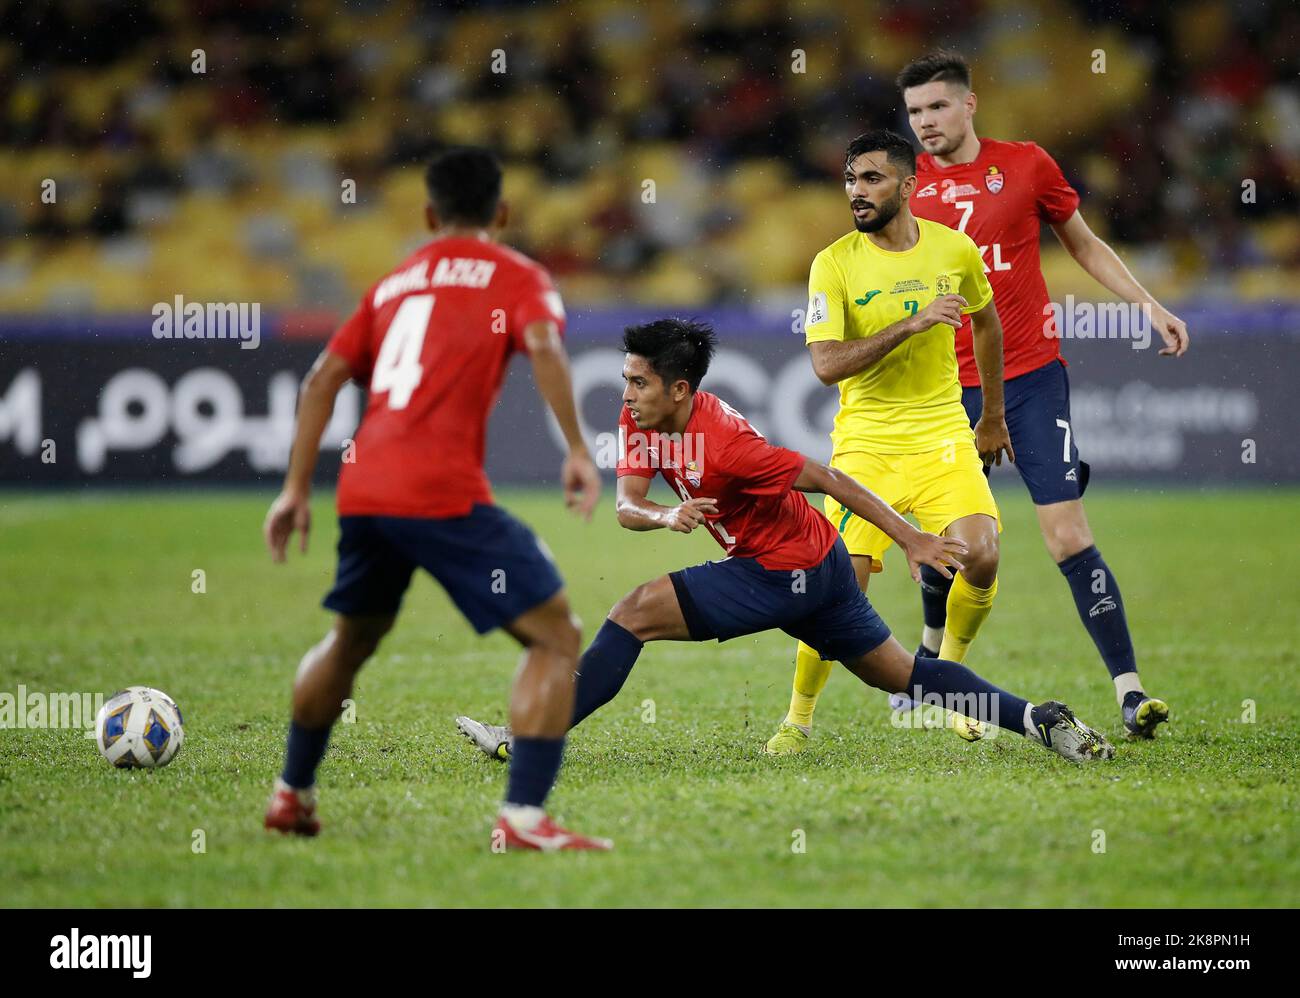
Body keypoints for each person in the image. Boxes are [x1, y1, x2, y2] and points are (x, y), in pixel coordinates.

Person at [455, 318, 1114, 770]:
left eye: (639, 382)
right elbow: (627, 506)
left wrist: (910, 538)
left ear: (679, 389)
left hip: (784, 567)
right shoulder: (641, 422)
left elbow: (828, 476)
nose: (625, 395)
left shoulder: (729, 444)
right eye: (626, 380)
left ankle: (529, 739)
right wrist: (665, 517)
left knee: (632, 612)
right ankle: (1042, 720)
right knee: (907, 677)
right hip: (816, 565)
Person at [261, 146, 611, 851]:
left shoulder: (392, 284)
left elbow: (321, 381)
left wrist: (295, 489)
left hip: (364, 491)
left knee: (349, 640)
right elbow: (543, 344)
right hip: (440, 491)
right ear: (502, 213)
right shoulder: (516, 274)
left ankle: (290, 796)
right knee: (556, 636)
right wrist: (577, 447)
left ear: (428, 214)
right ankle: (522, 821)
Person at [897, 50, 1180, 737]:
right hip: (942, 387)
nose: (926, 122)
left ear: (969, 105)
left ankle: (1131, 692)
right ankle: (931, 653)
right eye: (913, 112)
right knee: (950, 545)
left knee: (1067, 535)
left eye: (937, 106)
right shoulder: (900, 187)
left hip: (1029, 378)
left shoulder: (1025, 165)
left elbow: (1081, 244)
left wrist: (1145, 302)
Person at [765, 128, 1013, 755]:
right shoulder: (834, 262)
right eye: (850, 179)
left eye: (872, 178)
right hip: (866, 445)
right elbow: (825, 364)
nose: (857, 190)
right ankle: (798, 719)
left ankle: (952, 685)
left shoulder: (955, 251)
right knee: (839, 583)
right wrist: (913, 322)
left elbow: (987, 322)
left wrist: (993, 417)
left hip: (941, 434)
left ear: (909, 185)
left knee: (980, 553)